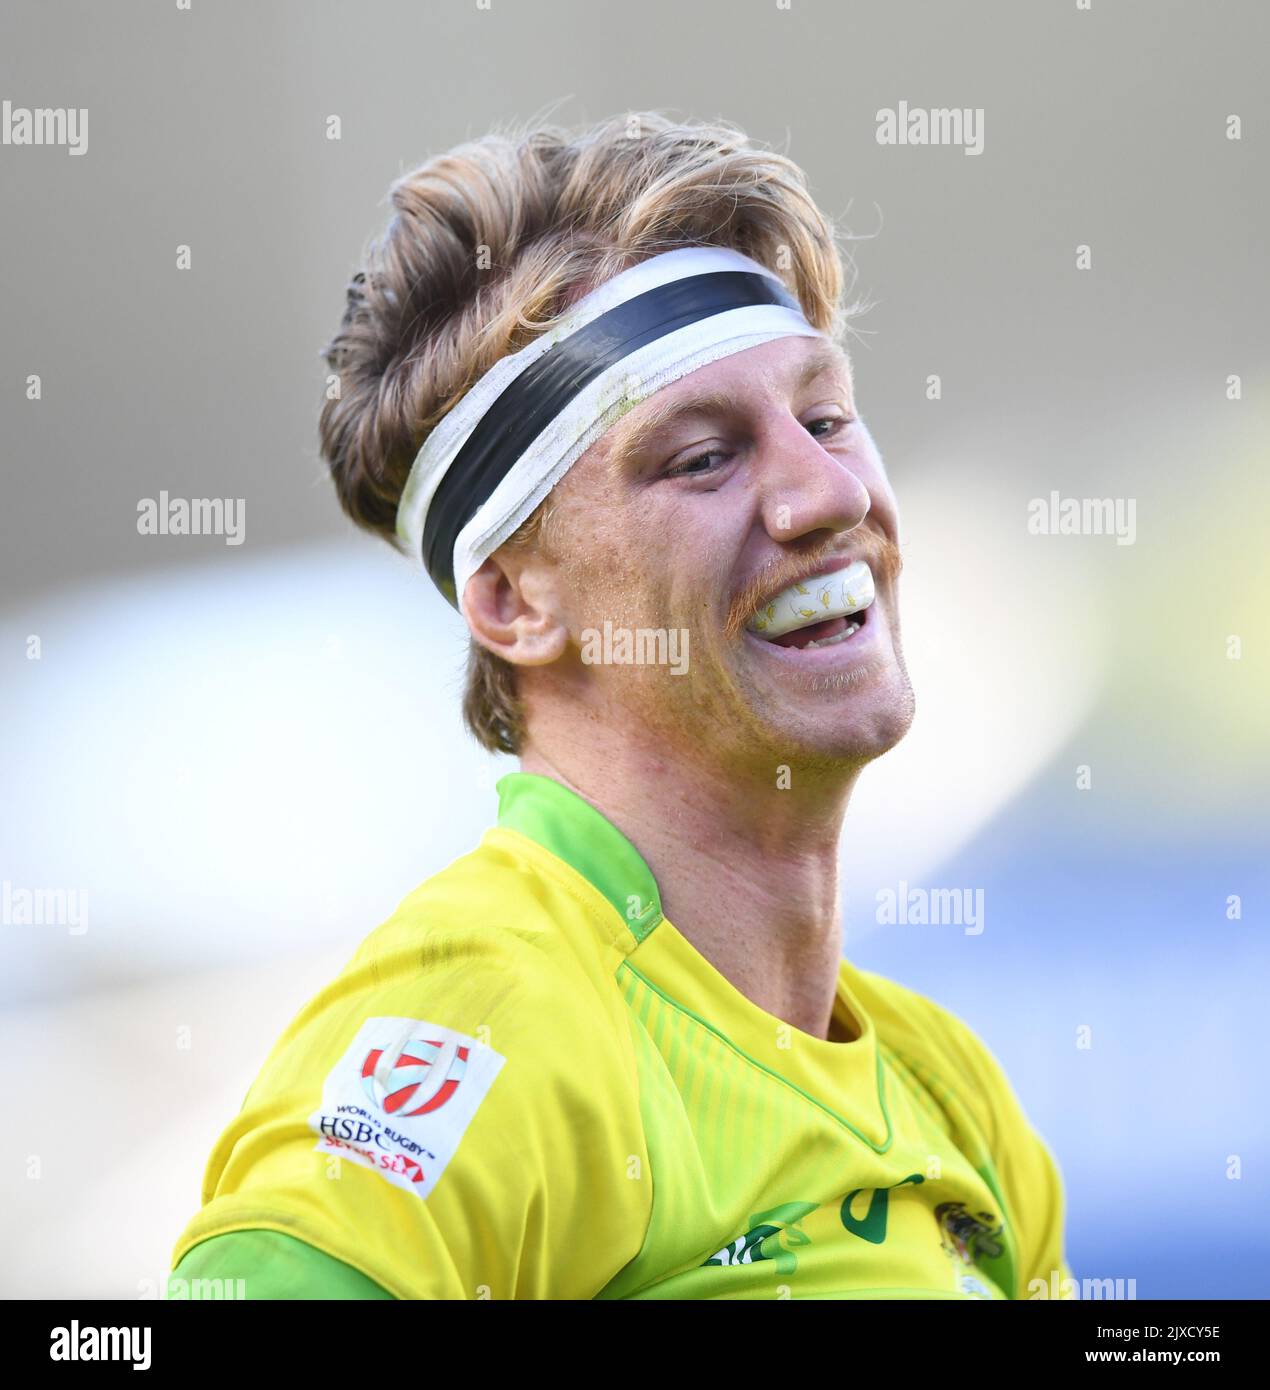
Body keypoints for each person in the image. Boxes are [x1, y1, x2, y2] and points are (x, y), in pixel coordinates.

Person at [169, 111, 1075, 1300]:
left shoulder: (947, 1081)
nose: (823, 492)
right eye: (701, 458)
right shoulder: (478, 1020)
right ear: (511, 602)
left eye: (824, 416)